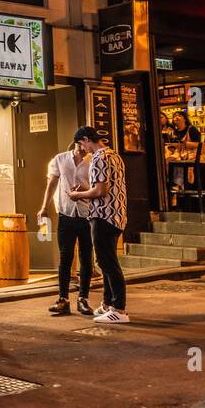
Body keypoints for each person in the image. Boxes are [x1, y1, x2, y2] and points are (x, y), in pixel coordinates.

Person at [69, 127, 130, 325]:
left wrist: (77, 195)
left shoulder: (98, 157)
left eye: (81, 144)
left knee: (108, 263)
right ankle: (107, 304)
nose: (82, 148)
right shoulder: (115, 155)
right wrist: (88, 189)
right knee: (106, 261)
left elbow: (100, 191)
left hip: (103, 216)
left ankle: (119, 308)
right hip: (118, 215)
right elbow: (105, 187)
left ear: (86, 139)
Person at [37, 140, 95, 317]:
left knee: (86, 258)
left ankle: (83, 299)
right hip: (66, 214)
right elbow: (52, 184)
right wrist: (44, 207)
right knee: (65, 257)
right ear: (77, 143)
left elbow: (97, 186)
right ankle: (63, 299)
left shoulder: (93, 160)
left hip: (87, 215)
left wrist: (83, 189)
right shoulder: (60, 159)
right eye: (83, 145)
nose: (85, 149)